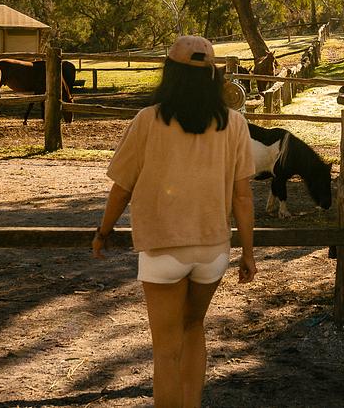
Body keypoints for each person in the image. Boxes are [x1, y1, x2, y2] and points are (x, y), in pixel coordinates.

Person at [92, 35, 257, 408]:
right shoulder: (234, 124)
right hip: (213, 251)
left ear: (170, 74)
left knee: (165, 351)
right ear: (212, 76)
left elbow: (121, 189)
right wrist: (248, 252)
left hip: (163, 250)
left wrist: (103, 232)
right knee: (194, 328)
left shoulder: (147, 121)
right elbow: (242, 197)